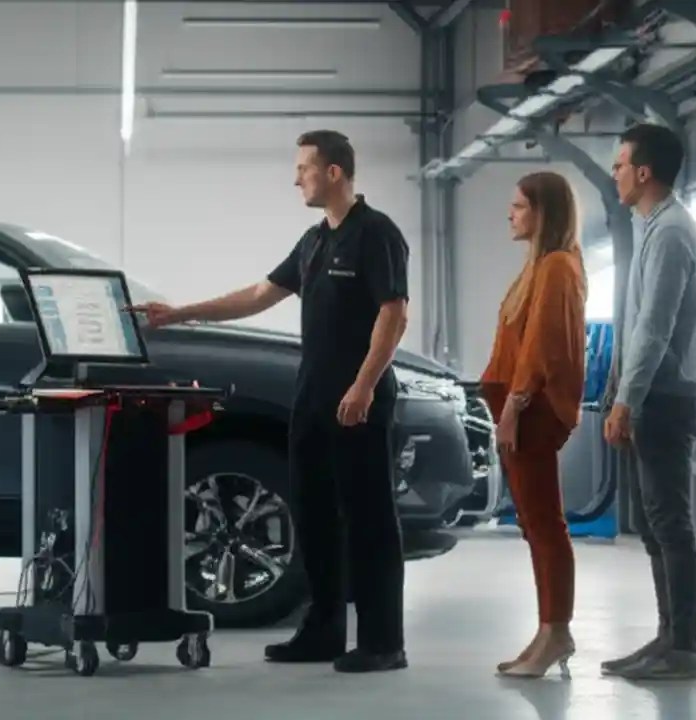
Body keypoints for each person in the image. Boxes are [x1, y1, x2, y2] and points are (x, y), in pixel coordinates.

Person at [129, 129, 411, 673]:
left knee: (368, 518)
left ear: (334, 172)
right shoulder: (313, 241)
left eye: (304, 167)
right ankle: (324, 629)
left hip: (358, 398)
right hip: (312, 398)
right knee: (314, 515)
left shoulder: (376, 234)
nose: (295, 177)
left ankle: (383, 642)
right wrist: (179, 312)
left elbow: (393, 313)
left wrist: (364, 385)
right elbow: (259, 295)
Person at [601, 123, 696, 681]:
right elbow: (636, 325)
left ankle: (685, 647)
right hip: (657, 392)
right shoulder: (650, 226)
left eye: (620, 163)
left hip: (668, 396)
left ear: (643, 172)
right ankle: (668, 636)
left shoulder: (670, 232)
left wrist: (628, 400)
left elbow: (655, 327)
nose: (615, 172)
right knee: (655, 522)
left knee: (670, 521)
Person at [479, 171, 587, 678]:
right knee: (535, 525)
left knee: (545, 525)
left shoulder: (558, 268)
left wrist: (514, 408)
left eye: (520, 206)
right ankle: (547, 631)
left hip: (530, 412)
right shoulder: (539, 267)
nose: (511, 213)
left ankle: (557, 632)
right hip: (517, 407)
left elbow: (543, 348)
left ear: (544, 213)